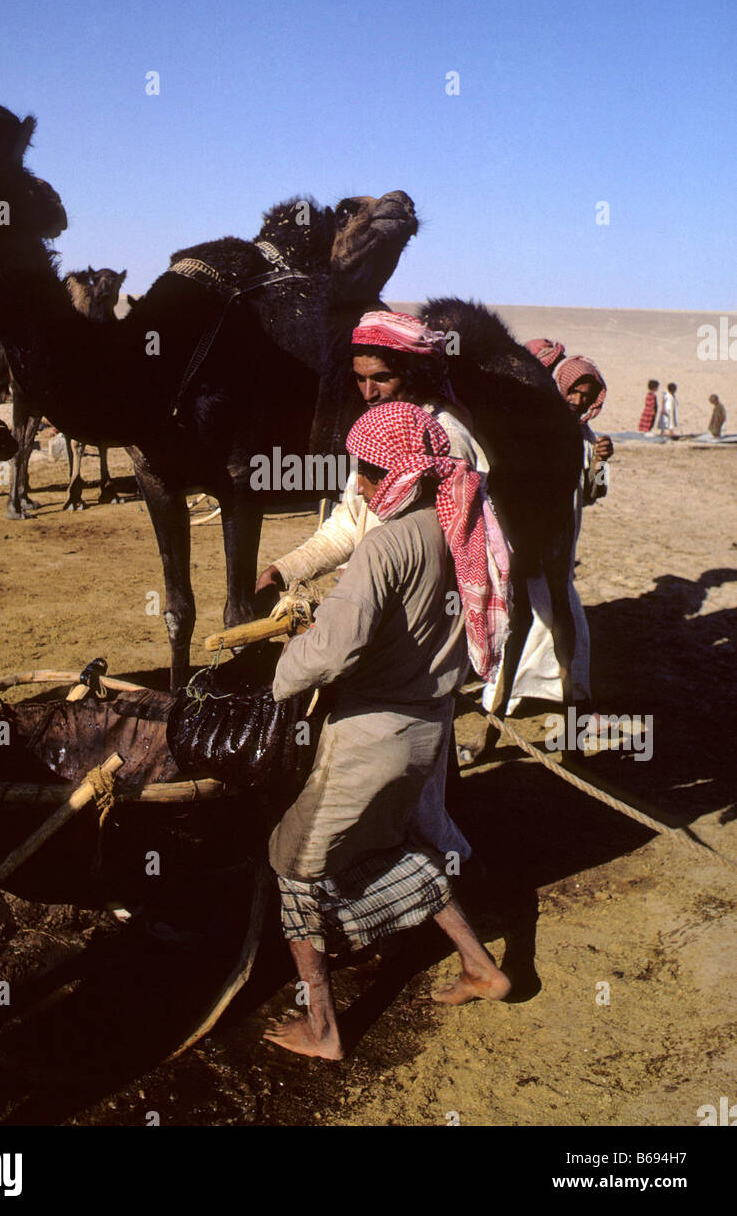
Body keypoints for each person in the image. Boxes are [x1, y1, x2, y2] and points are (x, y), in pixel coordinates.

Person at [263, 402, 511, 1059]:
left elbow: (335, 652)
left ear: (394, 472)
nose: (363, 488)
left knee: (290, 859)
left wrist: (279, 674)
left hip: (371, 737)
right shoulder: (462, 528)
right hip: (431, 730)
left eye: (367, 475)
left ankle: (323, 1026)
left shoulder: (386, 542)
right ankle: (481, 965)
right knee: (394, 842)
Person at [255, 309, 487, 866]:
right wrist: (288, 568)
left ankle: (443, 873)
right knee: (405, 779)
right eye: (359, 378)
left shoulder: (442, 435)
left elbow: (450, 540)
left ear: (413, 371)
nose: (368, 390)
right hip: (378, 605)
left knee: (406, 779)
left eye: (380, 378)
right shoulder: (378, 433)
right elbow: (349, 520)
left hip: (414, 619)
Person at [482, 351, 612, 718]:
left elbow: (592, 493)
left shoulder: (586, 437)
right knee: (521, 625)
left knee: (567, 630)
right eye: (573, 392)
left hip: (559, 551)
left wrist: (601, 463)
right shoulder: (533, 428)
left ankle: (562, 700)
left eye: (587, 397)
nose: (578, 401)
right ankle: (504, 704)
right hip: (529, 546)